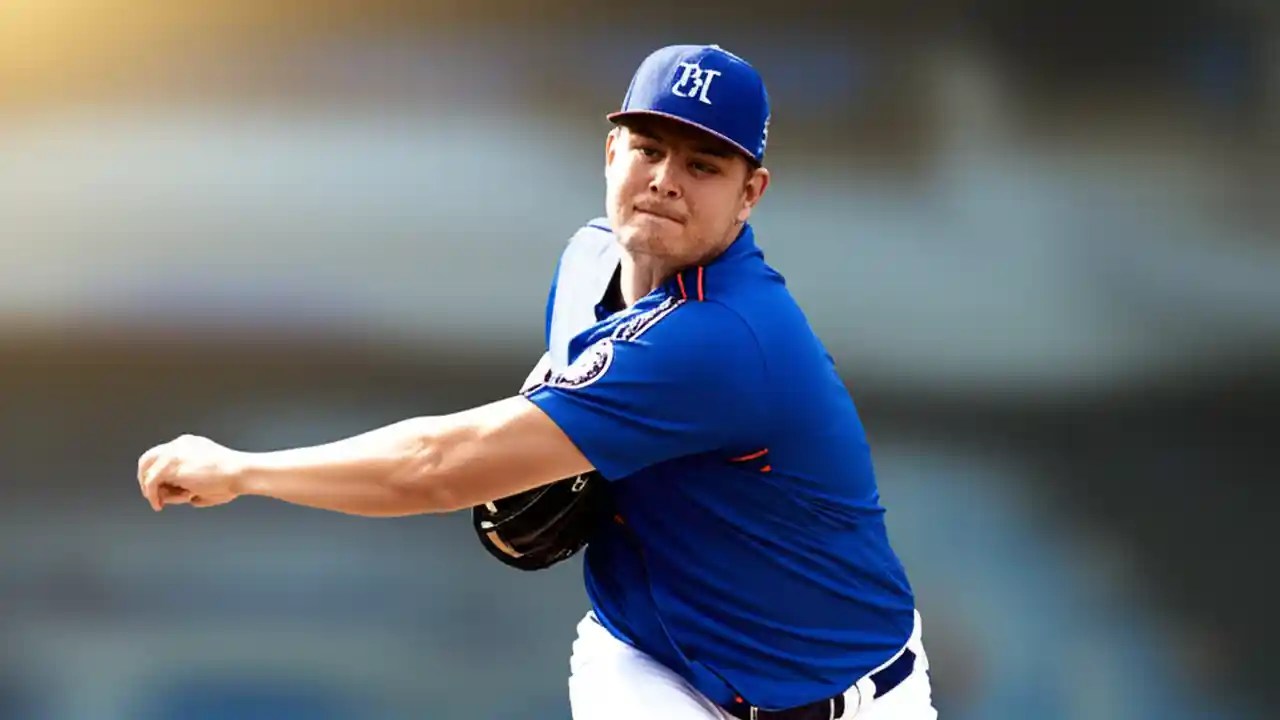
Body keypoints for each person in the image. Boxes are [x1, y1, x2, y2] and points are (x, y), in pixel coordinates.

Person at [137, 44, 938, 719]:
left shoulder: (725, 337)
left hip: (853, 697)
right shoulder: (588, 259)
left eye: (703, 163)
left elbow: (437, 467)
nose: (665, 178)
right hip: (650, 667)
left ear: (749, 195)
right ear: (610, 153)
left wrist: (243, 470)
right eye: (648, 147)